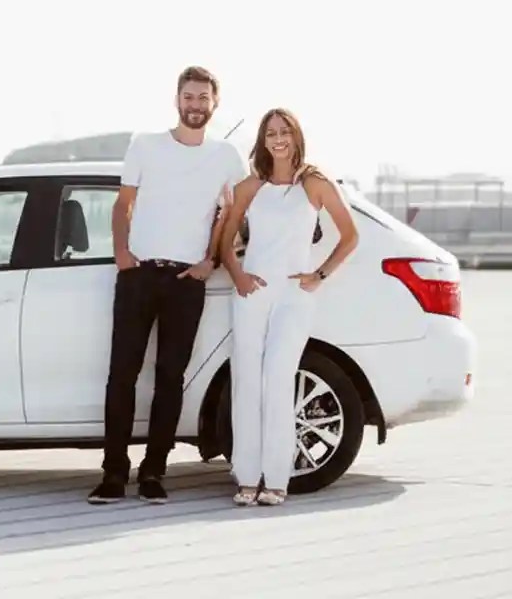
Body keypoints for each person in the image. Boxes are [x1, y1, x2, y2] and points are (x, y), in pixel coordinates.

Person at [88, 66, 249, 505]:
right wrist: (122, 255)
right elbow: (123, 206)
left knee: (169, 378)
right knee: (121, 375)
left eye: (203, 98)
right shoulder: (146, 145)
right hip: (138, 275)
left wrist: (212, 260)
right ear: (177, 100)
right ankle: (113, 473)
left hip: (186, 280)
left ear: (214, 104)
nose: (195, 105)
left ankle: (154, 472)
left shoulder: (226, 156)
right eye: (189, 97)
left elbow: (232, 216)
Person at [218, 108, 358, 506]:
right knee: (247, 378)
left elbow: (350, 236)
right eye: (270, 133)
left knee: (280, 377)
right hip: (251, 294)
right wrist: (239, 275)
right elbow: (225, 241)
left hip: (295, 296)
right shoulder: (251, 186)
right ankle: (247, 476)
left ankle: (277, 478)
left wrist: (320, 274)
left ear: (296, 137)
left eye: (284, 132)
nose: (277, 139)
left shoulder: (314, 183)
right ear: (262, 141)